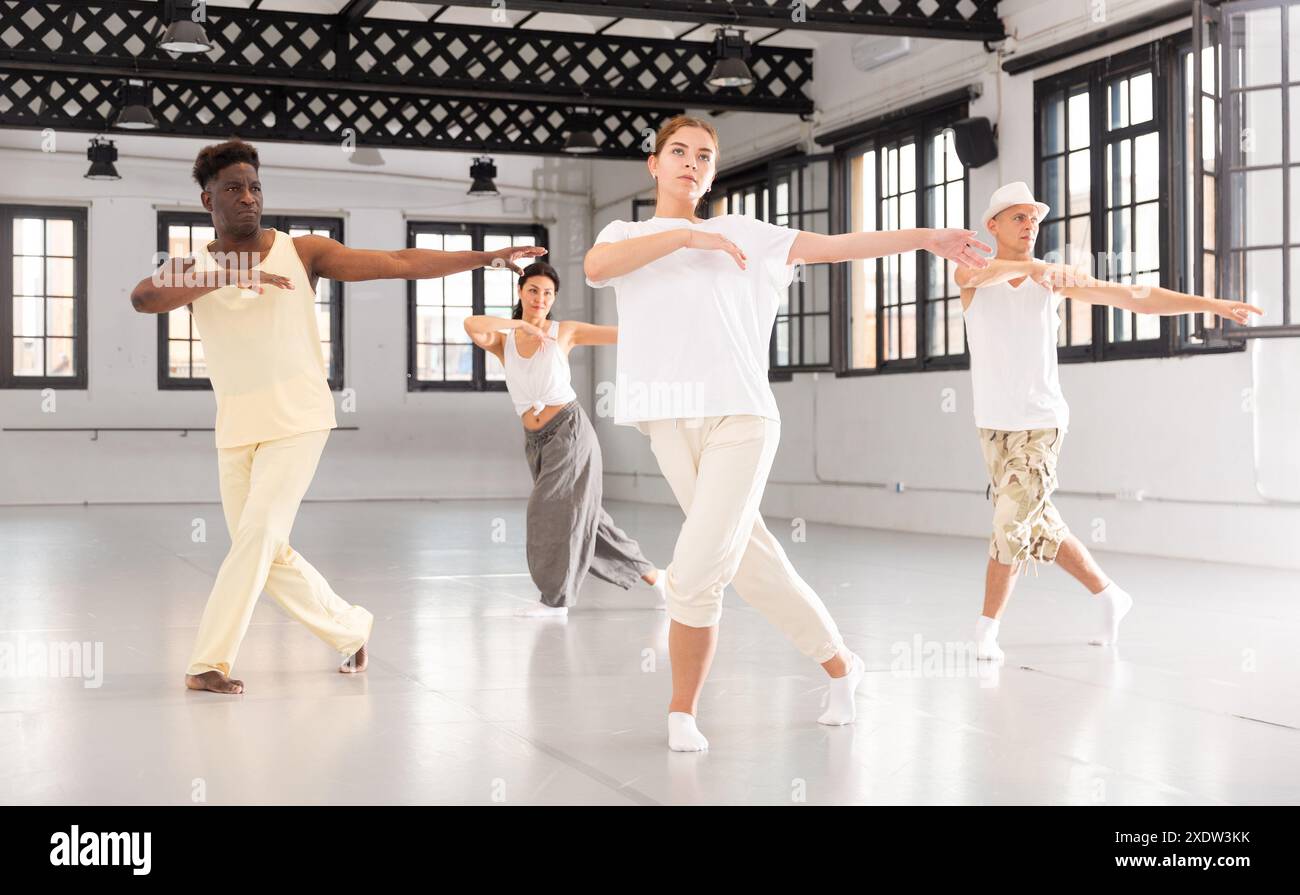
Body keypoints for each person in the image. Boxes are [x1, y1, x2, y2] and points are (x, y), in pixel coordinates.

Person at [583, 115, 993, 751]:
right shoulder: (627, 234)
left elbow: (837, 246)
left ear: (712, 172)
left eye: (704, 156)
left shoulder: (744, 232)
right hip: (668, 422)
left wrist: (927, 237)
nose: (691, 162)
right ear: (655, 164)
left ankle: (681, 711)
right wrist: (687, 240)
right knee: (751, 564)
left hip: (742, 418)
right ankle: (841, 665)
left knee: (694, 571)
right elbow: (597, 265)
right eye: (679, 152)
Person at [129, 138, 546, 694]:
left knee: (254, 539)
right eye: (234, 188)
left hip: (299, 420)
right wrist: (226, 276)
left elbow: (398, 262)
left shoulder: (302, 252)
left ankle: (209, 661)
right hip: (235, 429)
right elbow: (143, 298)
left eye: (255, 187)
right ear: (208, 200)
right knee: (265, 550)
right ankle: (351, 629)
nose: (249, 197)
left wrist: (484, 257)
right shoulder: (194, 266)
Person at [955, 181, 1264, 662]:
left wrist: (1213, 305)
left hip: (1040, 423)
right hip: (992, 425)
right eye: (1019, 217)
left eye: (1034, 218)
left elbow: (1136, 297)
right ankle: (1109, 596)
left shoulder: (1050, 282)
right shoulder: (972, 275)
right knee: (1040, 528)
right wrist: (1041, 269)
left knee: (1010, 522)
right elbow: (979, 276)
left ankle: (985, 630)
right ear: (992, 225)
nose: (1030, 224)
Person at [463, 261, 666, 618]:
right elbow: (472, 324)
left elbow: (619, 334)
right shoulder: (503, 340)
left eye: (548, 293)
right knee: (586, 517)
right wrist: (521, 324)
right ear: (520, 292)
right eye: (533, 290)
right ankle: (657, 578)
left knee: (549, 511)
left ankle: (555, 601)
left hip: (570, 432)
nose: (541, 299)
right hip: (535, 440)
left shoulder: (564, 332)